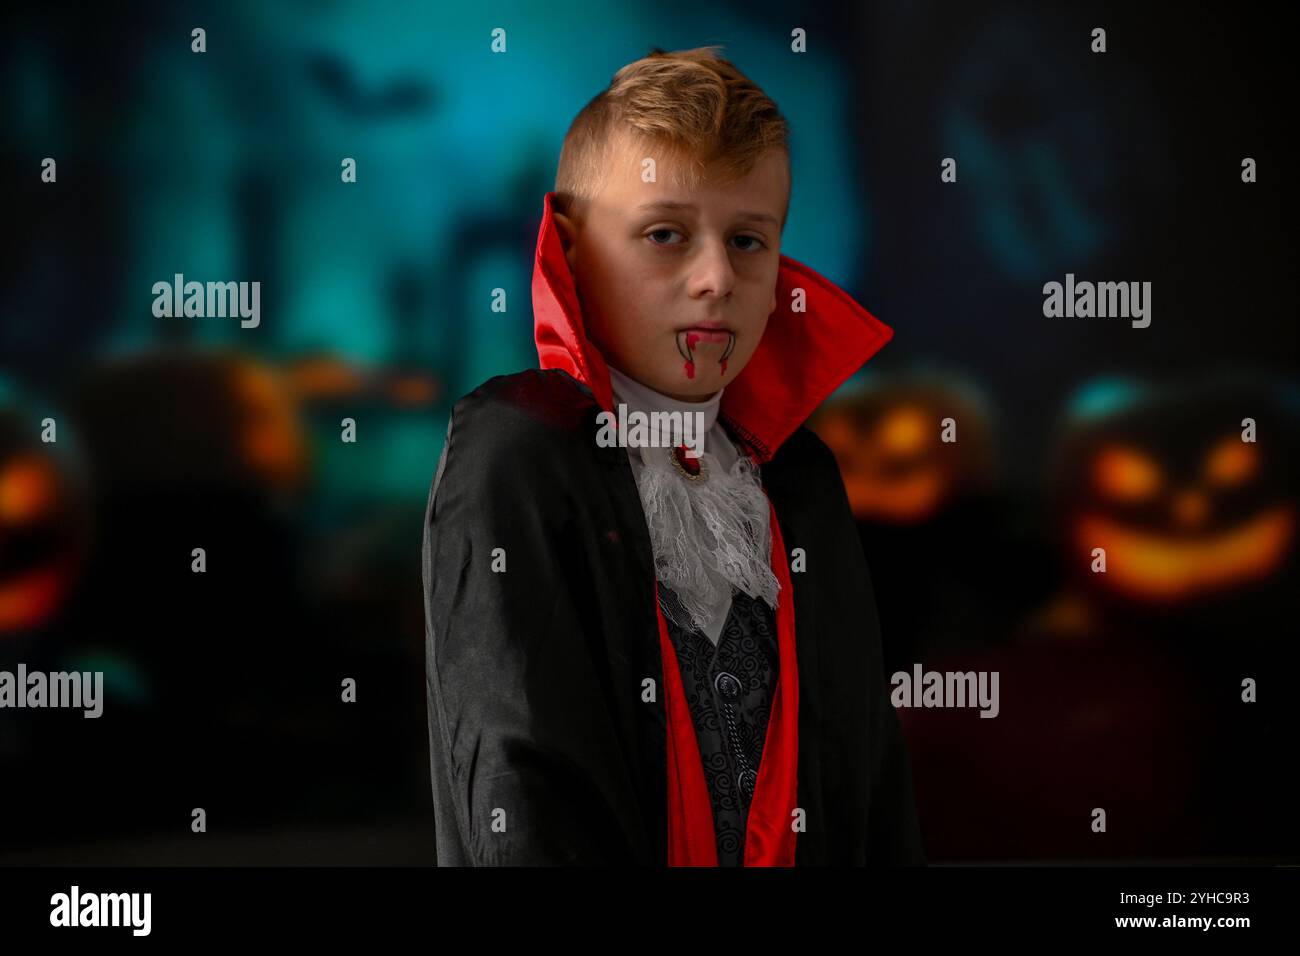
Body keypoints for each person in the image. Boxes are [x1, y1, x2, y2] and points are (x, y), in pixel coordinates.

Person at [422, 45, 924, 866]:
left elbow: (870, 790)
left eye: (749, 241)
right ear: (573, 248)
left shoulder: (802, 481)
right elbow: (520, 775)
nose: (716, 278)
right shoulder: (517, 452)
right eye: (664, 234)